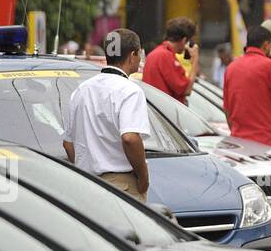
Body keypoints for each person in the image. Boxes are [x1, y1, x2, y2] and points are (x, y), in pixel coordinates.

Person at [62, 29, 152, 203]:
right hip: (121, 187)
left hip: (86, 186)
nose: (140, 59)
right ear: (133, 55)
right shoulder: (130, 90)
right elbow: (130, 138)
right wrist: (143, 180)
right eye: (140, 54)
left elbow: (68, 143)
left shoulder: (82, 90)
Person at [224, 24, 271, 149]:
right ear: (266, 45)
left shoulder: (231, 67)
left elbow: (227, 109)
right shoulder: (269, 66)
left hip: (240, 141)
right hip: (267, 142)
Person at [142, 16, 199, 104]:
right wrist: (195, 59)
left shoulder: (158, 53)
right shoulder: (165, 56)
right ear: (184, 41)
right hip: (164, 113)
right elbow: (187, 90)